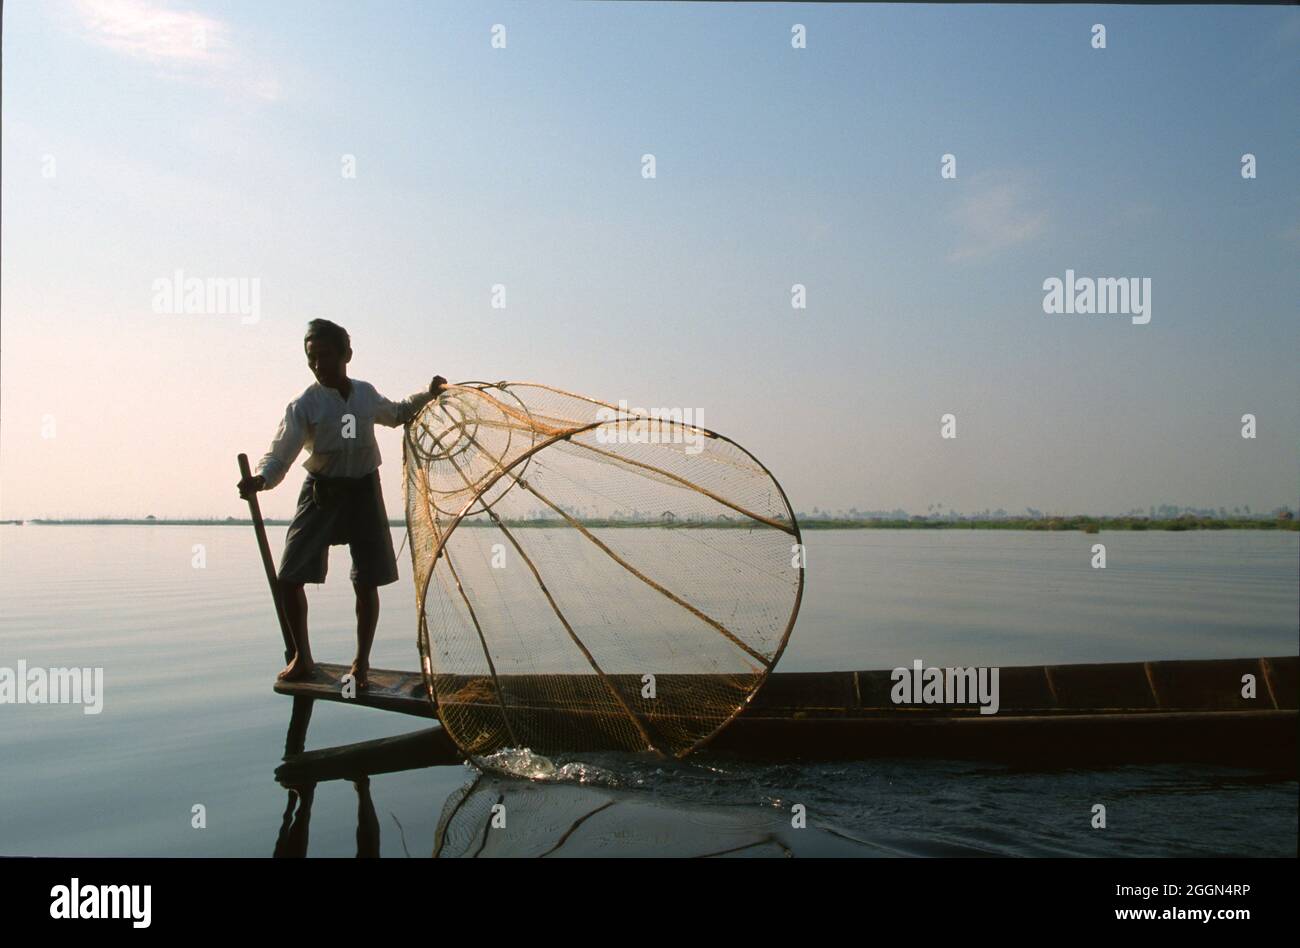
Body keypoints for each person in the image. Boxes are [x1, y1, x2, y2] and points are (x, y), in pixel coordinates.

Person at [237, 318, 446, 689]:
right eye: (311, 358)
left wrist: (428, 395)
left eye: (326, 355)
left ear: (346, 354)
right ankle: (303, 657)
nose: (318, 364)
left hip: (364, 491)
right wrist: (261, 479)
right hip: (322, 492)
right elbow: (280, 453)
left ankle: (361, 666)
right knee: (288, 579)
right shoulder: (305, 405)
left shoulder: (365, 395)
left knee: (366, 581)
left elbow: (397, 414)